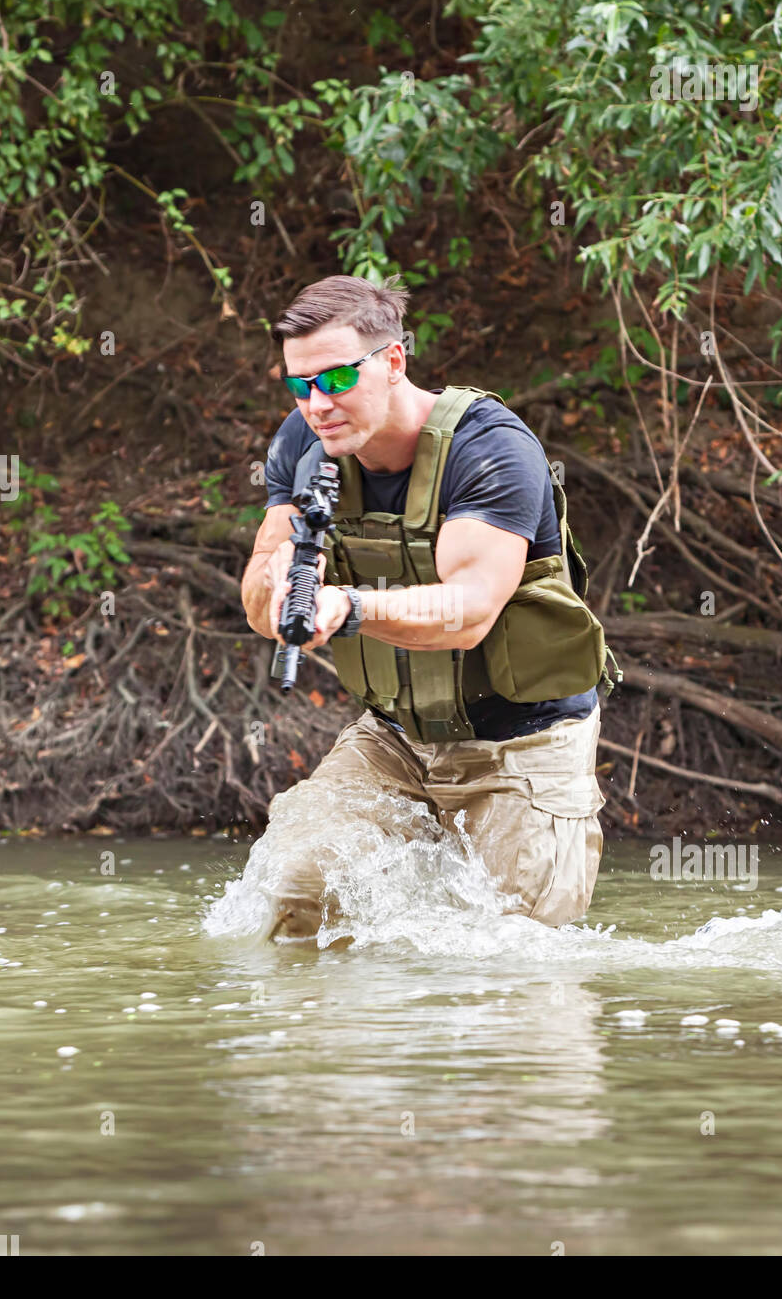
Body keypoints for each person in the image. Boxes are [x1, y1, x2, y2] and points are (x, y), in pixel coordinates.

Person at [239, 274, 620, 941]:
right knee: (293, 890)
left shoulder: (490, 448)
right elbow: (257, 602)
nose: (315, 404)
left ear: (393, 361)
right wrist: (276, 589)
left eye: (333, 379)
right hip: (396, 737)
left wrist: (347, 606)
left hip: (520, 738)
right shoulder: (303, 443)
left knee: (509, 954)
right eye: (299, 386)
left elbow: (471, 609)